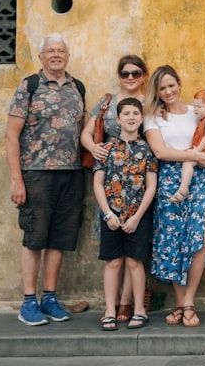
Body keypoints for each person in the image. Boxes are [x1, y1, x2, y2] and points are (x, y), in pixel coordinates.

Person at [4, 33, 86, 327]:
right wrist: (17, 179)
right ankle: (28, 301)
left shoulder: (77, 87)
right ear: (41, 57)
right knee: (35, 238)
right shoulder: (30, 86)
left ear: (67, 55)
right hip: (36, 174)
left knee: (60, 239)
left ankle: (49, 297)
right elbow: (11, 135)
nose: (56, 54)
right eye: (50, 51)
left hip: (72, 173)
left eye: (61, 51)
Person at [143, 65, 205, 327]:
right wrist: (195, 155)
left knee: (198, 239)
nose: (168, 91)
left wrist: (199, 158)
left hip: (198, 179)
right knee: (172, 240)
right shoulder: (153, 117)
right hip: (169, 181)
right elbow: (161, 152)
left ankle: (188, 302)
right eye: (162, 88)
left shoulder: (195, 112)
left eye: (171, 85)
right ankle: (181, 303)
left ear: (179, 83)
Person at [81, 54, 148, 323]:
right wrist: (94, 148)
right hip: (110, 171)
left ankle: (126, 302)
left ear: (144, 74)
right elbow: (86, 133)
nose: (130, 77)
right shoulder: (107, 103)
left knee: (134, 253)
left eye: (135, 72)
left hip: (140, 172)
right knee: (113, 247)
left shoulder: (151, 102)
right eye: (125, 73)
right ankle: (112, 305)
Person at [92, 97, 157, 331]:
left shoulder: (147, 150)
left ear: (141, 118)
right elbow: (98, 183)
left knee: (134, 262)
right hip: (112, 215)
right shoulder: (106, 149)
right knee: (113, 262)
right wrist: (108, 213)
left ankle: (139, 310)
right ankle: (110, 311)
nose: (131, 117)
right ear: (118, 118)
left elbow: (151, 186)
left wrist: (137, 217)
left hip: (136, 216)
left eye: (135, 113)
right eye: (126, 113)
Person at [171, 90, 205, 204]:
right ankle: (184, 188)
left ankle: (183, 189)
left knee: (188, 162)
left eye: (199, 107)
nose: (195, 109)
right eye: (194, 106)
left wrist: (196, 151)